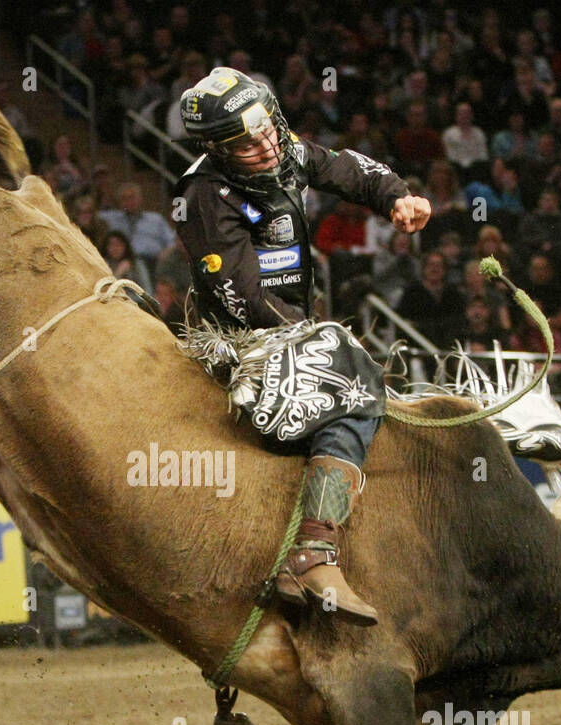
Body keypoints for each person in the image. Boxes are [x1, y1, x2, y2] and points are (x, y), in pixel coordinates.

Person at [175, 67, 431, 625]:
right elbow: (241, 298)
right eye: (247, 142)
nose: (267, 145)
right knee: (356, 384)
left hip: (292, 322)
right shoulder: (203, 196)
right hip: (241, 339)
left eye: (269, 128)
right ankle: (311, 551)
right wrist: (314, 337)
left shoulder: (281, 149)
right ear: (217, 151)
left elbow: (344, 166)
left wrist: (396, 197)